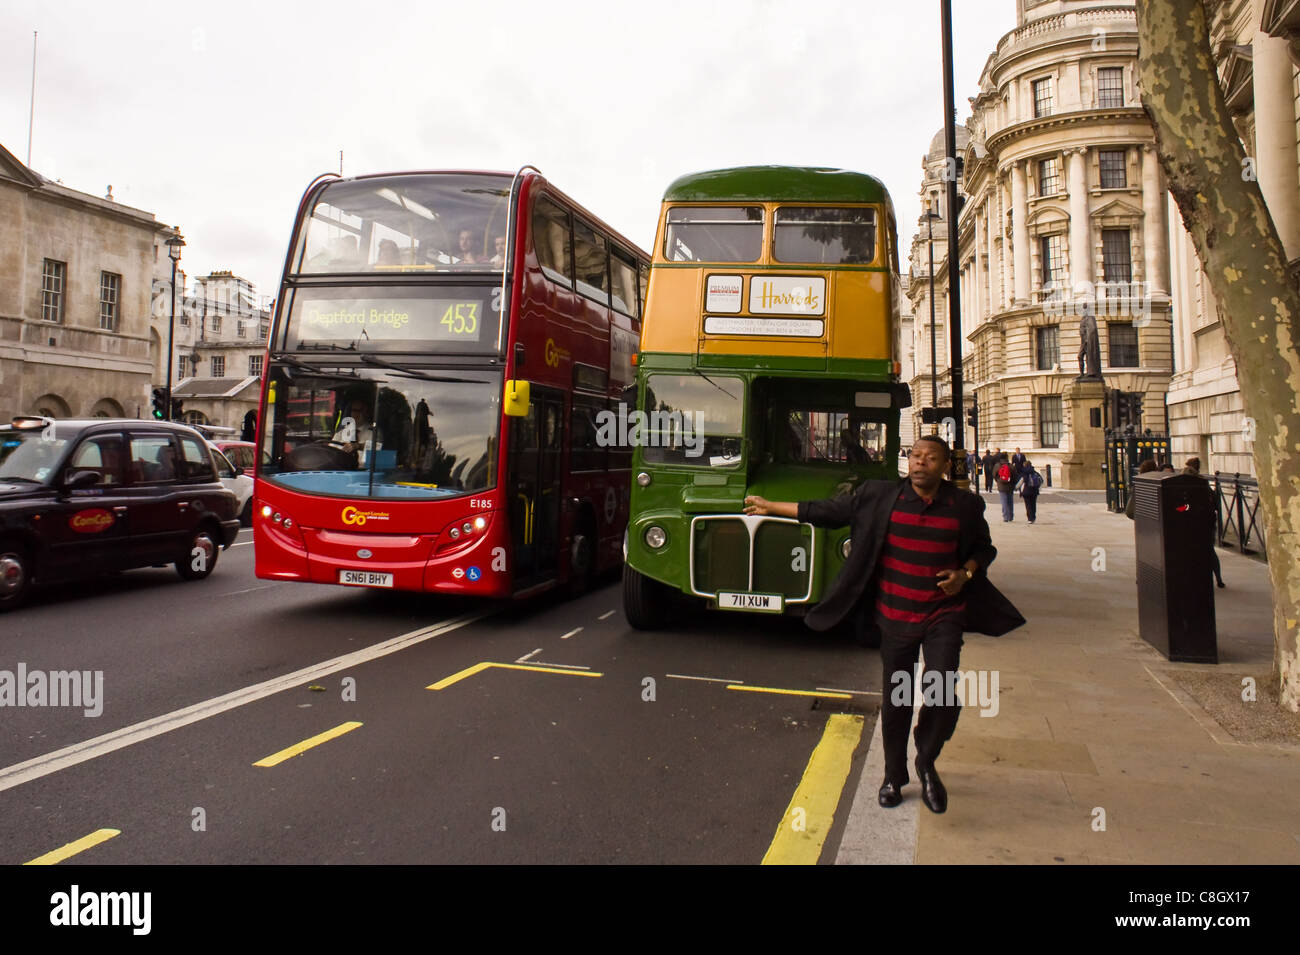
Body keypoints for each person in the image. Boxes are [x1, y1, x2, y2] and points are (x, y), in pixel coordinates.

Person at [743, 436, 1024, 814]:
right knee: (898, 699)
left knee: (942, 692)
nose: (921, 462)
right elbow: (826, 511)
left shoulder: (965, 506)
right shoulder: (879, 497)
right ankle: (894, 775)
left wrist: (965, 574)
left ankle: (925, 758)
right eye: (916, 455)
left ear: (945, 466)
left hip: (944, 614)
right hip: (895, 615)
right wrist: (771, 507)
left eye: (931, 457)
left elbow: (983, 549)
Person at [1182, 457, 1225, 588]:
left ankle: (1196, 579)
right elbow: (1213, 503)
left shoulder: (1187, 487)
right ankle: (1218, 578)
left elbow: (1187, 506)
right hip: (1208, 521)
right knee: (1210, 551)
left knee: (1193, 552)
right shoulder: (1204, 484)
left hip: (1194, 523)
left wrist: (1179, 509)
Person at [994, 452, 1017, 522]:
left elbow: (994, 474)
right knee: (1010, 501)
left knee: (1004, 501)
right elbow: (1015, 476)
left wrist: (998, 481)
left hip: (1001, 485)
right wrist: (1013, 483)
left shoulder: (997, 466)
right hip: (1010, 486)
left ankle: (1005, 516)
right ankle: (1010, 516)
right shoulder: (1011, 466)